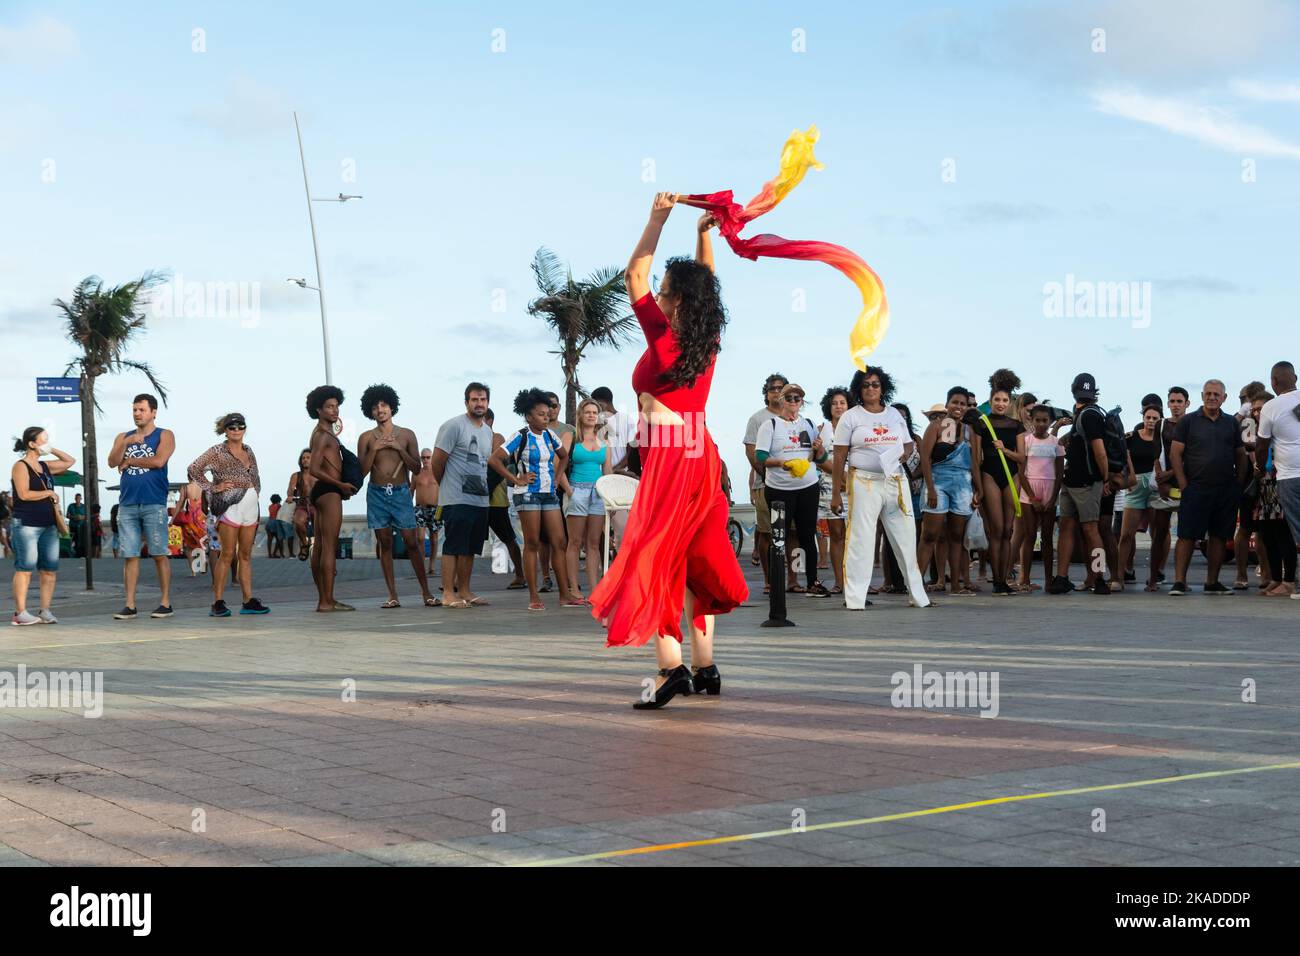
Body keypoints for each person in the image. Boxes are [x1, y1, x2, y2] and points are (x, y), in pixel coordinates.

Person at [589, 195, 747, 709]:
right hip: (702, 451)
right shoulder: (709, 338)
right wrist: (704, 235)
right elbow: (704, 284)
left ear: (677, 302)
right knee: (695, 557)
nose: (655, 295)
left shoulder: (664, 339)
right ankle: (706, 668)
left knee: (655, 559)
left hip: (672, 456)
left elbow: (633, 275)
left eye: (664, 292)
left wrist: (657, 218)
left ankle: (671, 669)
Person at [831, 368, 930, 609]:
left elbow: (908, 446)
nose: (871, 389)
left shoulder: (895, 414)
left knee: (906, 537)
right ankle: (855, 599)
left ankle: (918, 596)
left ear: (883, 387)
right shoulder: (851, 417)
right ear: (859, 389)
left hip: (894, 479)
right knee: (861, 539)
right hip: (864, 481)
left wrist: (899, 456)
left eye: (875, 384)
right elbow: (839, 456)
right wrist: (836, 492)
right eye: (866, 385)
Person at [492, 388, 579, 610]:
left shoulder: (551, 435)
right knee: (531, 544)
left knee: (559, 542)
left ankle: (564, 595)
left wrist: (558, 478)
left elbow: (564, 455)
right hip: (527, 495)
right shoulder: (520, 436)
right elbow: (494, 460)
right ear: (528, 416)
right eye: (541, 414)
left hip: (549, 494)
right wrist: (516, 479)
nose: (546, 417)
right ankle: (533, 597)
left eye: (547, 414)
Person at [357, 383, 437, 609]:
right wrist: (375, 449)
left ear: (392, 407)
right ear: (370, 411)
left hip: (401, 492)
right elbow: (361, 473)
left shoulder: (407, 435)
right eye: (375, 407)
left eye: (384, 405)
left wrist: (398, 448)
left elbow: (416, 468)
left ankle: (426, 592)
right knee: (385, 543)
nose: (380, 410)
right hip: (376, 493)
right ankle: (392, 595)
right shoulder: (365, 438)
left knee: (412, 542)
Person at [1170, 379, 1248, 595]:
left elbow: (1240, 455)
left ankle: (1212, 582)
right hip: (1195, 487)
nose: (1212, 397)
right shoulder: (1188, 421)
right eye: (1208, 394)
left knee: (1219, 536)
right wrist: (1183, 484)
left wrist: (1238, 483)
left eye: (1217, 394)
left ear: (1224, 398)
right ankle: (1179, 582)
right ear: (1202, 396)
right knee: (1187, 535)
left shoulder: (1231, 423)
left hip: (1225, 489)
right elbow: (1175, 454)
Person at [186, 412, 268, 616]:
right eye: (232, 427)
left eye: (240, 426)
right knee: (227, 554)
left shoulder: (249, 450)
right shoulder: (217, 451)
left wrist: (256, 492)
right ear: (225, 430)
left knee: (246, 555)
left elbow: (255, 475)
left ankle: (248, 600)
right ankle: (218, 602)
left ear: (245, 428)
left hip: (251, 508)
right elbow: (194, 468)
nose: (236, 430)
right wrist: (213, 487)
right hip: (230, 507)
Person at [757, 383, 830, 597]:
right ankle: (776, 582)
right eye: (789, 398)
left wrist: (820, 449)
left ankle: (811, 581)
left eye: (797, 399)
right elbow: (760, 456)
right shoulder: (770, 425)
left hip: (807, 487)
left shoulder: (808, 424)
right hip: (779, 489)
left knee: (806, 535)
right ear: (781, 400)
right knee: (778, 536)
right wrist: (781, 463)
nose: (793, 402)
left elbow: (822, 458)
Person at [106, 393, 176, 619]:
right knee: (130, 555)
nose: (137, 414)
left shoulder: (165, 435)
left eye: (142, 410)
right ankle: (130, 605)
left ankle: (165, 602)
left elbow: (158, 461)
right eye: (135, 410)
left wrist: (131, 461)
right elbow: (111, 462)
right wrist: (126, 444)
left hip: (154, 503)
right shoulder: (123, 436)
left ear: (153, 412)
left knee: (159, 553)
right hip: (127, 504)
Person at [429, 382, 495, 608]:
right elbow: (437, 462)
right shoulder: (454, 426)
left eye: (483, 399)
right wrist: (446, 485)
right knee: (454, 546)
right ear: (466, 402)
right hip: (456, 497)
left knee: (471, 547)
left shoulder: (487, 431)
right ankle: (448, 593)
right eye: (475, 399)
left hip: (480, 499)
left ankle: (465, 590)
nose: (479, 403)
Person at [1048, 374, 1110, 595]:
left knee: (1090, 530)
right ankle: (1063, 577)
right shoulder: (1084, 414)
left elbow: (1099, 450)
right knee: (1070, 527)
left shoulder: (1090, 415)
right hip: (1073, 481)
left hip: (1086, 482)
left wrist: (1105, 478)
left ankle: (1100, 578)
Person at [917, 387, 981, 596]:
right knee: (930, 535)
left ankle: (955, 586)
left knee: (956, 537)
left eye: (963, 404)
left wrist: (977, 489)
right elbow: (925, 459)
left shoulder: (969, 431)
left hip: (963, 483)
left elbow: (974, 463)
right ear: (947, 404)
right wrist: (931, 489)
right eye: (955, 402)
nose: (959, 407)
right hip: (938, 481)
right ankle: (916, 588)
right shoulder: (936, 427)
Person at [10, 428, 75, 625]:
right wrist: (48, 493)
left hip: (49, 524)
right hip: (26, 524)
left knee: (49, 569)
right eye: (44, 440)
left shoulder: (44, 466)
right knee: (25, 568)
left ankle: (45, 610)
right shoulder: (20, 466)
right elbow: (23, 494)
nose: (47, 442)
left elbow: (69, 461)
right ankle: (20, 613)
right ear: (32, 444)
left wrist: (51, 448)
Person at [305, 385, 359, 612]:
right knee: (328, 547)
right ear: (319, 409)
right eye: (329, 406)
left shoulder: (324, 434)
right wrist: (341, 485)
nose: (334, 410)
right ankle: (326, 601)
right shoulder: (322, 436)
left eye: (336, 406)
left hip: (321, 492)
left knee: (319, 548)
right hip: (328, 491)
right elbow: (314, 469)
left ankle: (325, 599)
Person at [973, 369, 1026, 595]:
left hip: (1011, 474)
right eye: (997, 400)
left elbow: (1022, 458)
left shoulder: (1017, 426)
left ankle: (1004, 578)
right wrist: (978, 487)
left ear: (1010, 401)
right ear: (991, 400)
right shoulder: (981, 423)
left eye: (1005, 400)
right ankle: (997, 580)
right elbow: (975, 459)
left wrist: (1005, 450)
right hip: (989, 475)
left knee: (1007, 530)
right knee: (996, 529)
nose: (1001, 403)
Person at [1255, 361, 1300, 599]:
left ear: (1273, 382)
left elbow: (1262, 446)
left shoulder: (1271, 407)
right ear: (1296, 377)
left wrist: (1259, 468)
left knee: (1296, 531)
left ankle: (1295, 585)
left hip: (1290, 477)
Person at [744, 372, 788, 593]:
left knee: (795, 533)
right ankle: (769, 579)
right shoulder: (757, 419)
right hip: (765, 484)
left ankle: (795, 579)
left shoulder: (794, 417)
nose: (777, 392)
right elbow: (751, 451)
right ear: (766, 393)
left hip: (793, 485)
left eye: (781, 388)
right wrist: (766, 473)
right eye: (773, 389)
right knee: (767, 532)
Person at [564, 398, 612, 603]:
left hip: (598, 493)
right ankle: (574, 588)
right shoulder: (571, 437)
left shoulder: (605, 441)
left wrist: (610, 498)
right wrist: (569, 491)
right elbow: (559, 466)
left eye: (594, 412)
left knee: (593, 544)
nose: (591, 415)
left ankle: (595, 590)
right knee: (574, 542)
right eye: (587, 412)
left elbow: (607, 471)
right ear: (580, 415)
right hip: (577, 490)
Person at [1248, 392, 1294, 595]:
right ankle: (1276, 578)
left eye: (1261, 408)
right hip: (1264, 491)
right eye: (1255, 409)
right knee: (1268, 537)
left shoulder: (1280, 428)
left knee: (1284, 536)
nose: (1258, 412)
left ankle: (1289, 580)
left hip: (1281, 486)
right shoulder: (1257, 431)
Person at [1014, 405, 1063, 590]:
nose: (1041, 424)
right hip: (1029, 492)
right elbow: (1021, 471)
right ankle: (1024, 579)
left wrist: (1052, 499)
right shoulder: (1026, 442)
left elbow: (1059, 474)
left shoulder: (1056, 443)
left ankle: (1049, 580)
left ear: (1050, 422)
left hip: (1049, 491)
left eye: (1045, 420)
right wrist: (1032, 498)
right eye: (1038, 420)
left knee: (1048, 539)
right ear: (1032, 421)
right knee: (1029, 536)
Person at [1115, 405, 1163, 592]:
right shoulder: (1131, 437)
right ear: (1143, 418)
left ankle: (1153, 579)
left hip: (1154, 487)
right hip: (1135, 488)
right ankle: (1119, 577)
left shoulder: (1162, 439)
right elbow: (1122, 458)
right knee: (1126, 534)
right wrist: (1130, 478)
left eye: (1155, 418)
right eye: (1148, 417)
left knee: (1157, 535)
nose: (1151, 420)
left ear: (1160, 419)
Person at [1148, 386, 1189, 587]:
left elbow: (1191, 456)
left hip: (1185, 483)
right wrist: (1160, 478)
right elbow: (1156, 453)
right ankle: (1153, 579)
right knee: (1159, 532)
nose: (1175, 405)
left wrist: (1171, 474)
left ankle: (1181, 580)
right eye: (1172, 401)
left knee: (1186, 534)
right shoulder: (1161, 425)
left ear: (1186, 404)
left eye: (1179, 401)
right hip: (1165, 486)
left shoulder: (1192, 424)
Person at [484, 410, 527, 589]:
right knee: (469, 538)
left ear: (490, 420)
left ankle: (520, 575)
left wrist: (485, 490)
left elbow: (496, 467)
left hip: (496, 497)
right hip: (475, 495)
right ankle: (456, 581)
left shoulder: (497, 438)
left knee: (508, 537)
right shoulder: (470, 437)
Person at [817, 386, 851, 594]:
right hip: (831, 486)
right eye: (834, 403)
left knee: (856, 535)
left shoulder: (857, 427)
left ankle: (856, 581)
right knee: (837, 534)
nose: (839, 406)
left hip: (857, 484)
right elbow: (819, 459)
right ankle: (840, 582)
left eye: (843, 403)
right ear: (828, 407)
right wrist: (842, 478)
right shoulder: (824, 429)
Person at [414, 447, 443, 577]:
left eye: (427, 457)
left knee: (434, 538)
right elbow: (411, 490)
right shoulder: (416, 473)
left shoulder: (437, 472)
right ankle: (421, 565)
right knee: (419, 537)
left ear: (432, 458)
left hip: (435, 508)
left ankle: (432, 565)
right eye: (423, 457)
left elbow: (445, 488)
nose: (425, 460)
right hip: (420, 508)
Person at [287, 449, 314, 561]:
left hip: (316, 505)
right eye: (303, 458)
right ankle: (304, 544)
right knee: (298, 522)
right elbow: (290, 490)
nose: (305, 460)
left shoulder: (319, 474)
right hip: (302, 504)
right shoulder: (296, 475)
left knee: (323, 528)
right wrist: (290, 494)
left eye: (308, 458)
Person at [66, 493, 86, 558]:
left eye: (79, 498)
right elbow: (67, 515)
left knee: (80, 541)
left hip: (81, 527)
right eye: (77, 498)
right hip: (73, 526)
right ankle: (71, 553)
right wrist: (74, 517)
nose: (78, 499)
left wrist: (81, 517)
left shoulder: (84, 506)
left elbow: (87, 516)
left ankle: (79, 554)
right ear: (75, 499)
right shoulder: (71, 506)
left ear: (81, 499)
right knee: (72, 540)